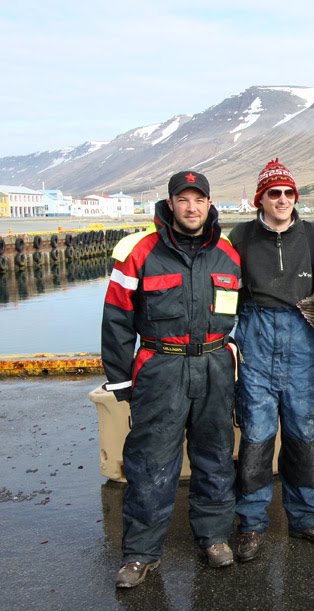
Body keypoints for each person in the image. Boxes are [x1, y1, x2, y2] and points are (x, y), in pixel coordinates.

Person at [102, 171, 241, 588]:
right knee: (150, 463)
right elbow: (115, 321)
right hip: (161, 368)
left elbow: (242, 309)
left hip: (216, 365)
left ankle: (214, 537)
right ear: (171, 203)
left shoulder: (228, 253)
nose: (192, 207)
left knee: (215, 457)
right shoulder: (138, 251)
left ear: (209, 204)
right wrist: (121, 380)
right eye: (184, 199)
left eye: (199, 199)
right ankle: (140, 554)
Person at [230, 158, 314, 562]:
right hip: (255, 339)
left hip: (302, 342)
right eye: (274, 193)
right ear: (261, 198)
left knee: (303, 436)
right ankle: (252, 523)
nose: (283, 199)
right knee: (256, 438)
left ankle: (306, 516)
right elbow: (224, 293)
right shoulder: (239, 238)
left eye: (289, 193)